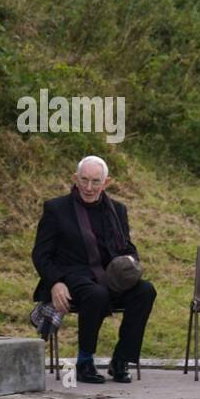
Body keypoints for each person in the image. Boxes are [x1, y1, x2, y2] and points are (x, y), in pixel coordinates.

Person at [32, 156, 154, 384]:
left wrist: (130, 261)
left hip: (109, 276)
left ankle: (121, 360)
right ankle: (84, 362)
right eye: (84, 180)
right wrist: (56, 282)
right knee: (97, 294)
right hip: (72, 277)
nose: (89, 188)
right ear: (75, 179)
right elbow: (40, 255)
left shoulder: (118, 210)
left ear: (106, 182)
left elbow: (127, 247)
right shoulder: (56, 209)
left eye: (95, 182)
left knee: (145, 290)